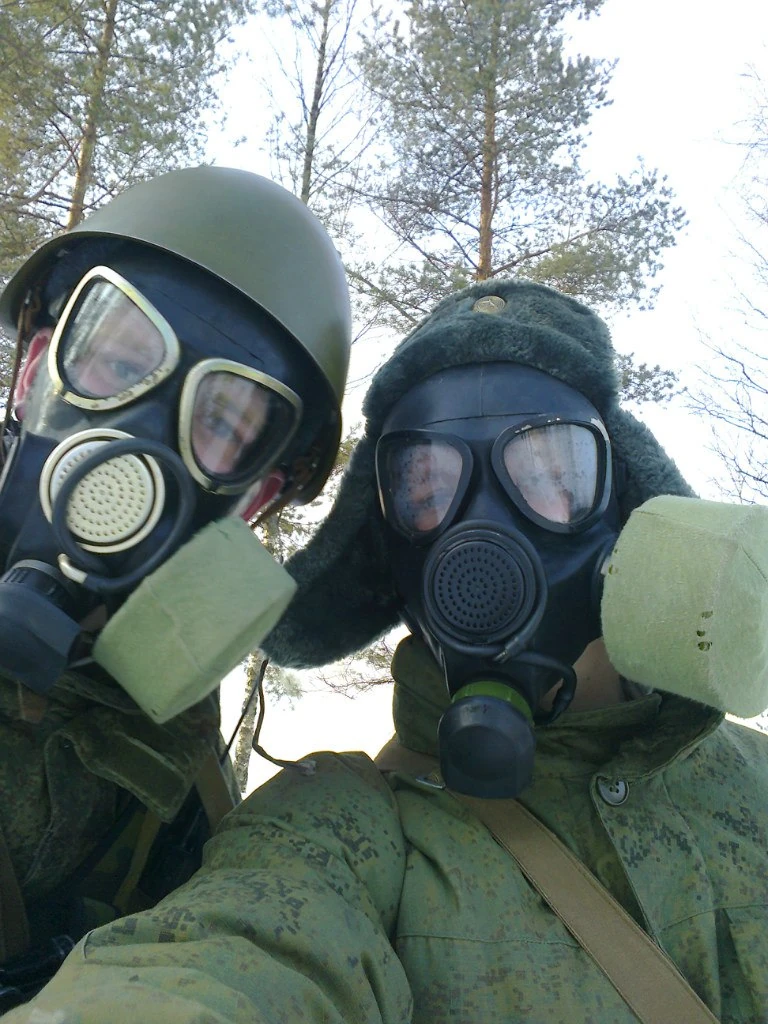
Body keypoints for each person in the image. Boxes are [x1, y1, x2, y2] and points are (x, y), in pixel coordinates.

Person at [5, 279, 768, 1023]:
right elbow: (230, 957)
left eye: (545, 471)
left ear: (624, 505)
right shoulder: (343, 827)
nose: (482, 532)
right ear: (383, 556)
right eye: (427, 487)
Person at [0, 165, 351, 1010]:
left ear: (253, 501)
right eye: (117, 363)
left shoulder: (176, 769)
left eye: (221, 425)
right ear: (34, 369)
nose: (140, 438)